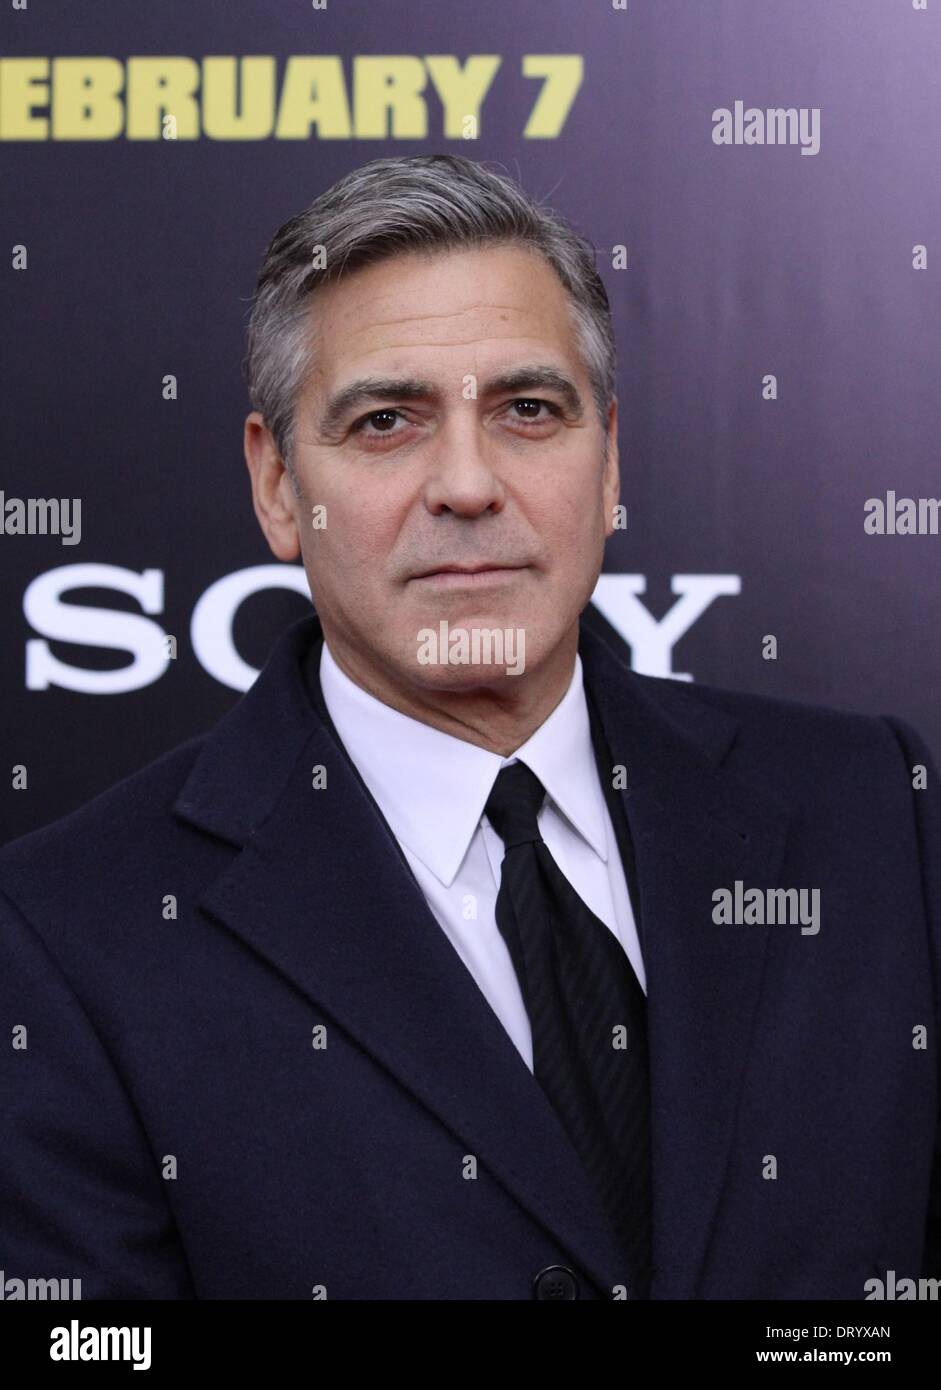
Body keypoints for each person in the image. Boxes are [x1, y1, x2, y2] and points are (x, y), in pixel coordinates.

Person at [0, 154, 938, 1301]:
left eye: (526, 410)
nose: (466, 483)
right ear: (279, 488)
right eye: (386, 420)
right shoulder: (67, 932)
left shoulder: (872, 812)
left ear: (607, 465)